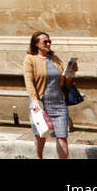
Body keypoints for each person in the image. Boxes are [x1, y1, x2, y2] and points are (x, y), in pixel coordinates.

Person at [23, 31, 76, 159]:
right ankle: (38, 157)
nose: (48, 44)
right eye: (45, 42)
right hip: (41, 103)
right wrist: (34, 100)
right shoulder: (30, 59)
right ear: (36, 44)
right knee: (41, 135)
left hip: (59, 103)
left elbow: (66, 82)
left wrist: (71, 72)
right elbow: (28, 81)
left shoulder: (55, 59)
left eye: (49, 41)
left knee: (62, 136)